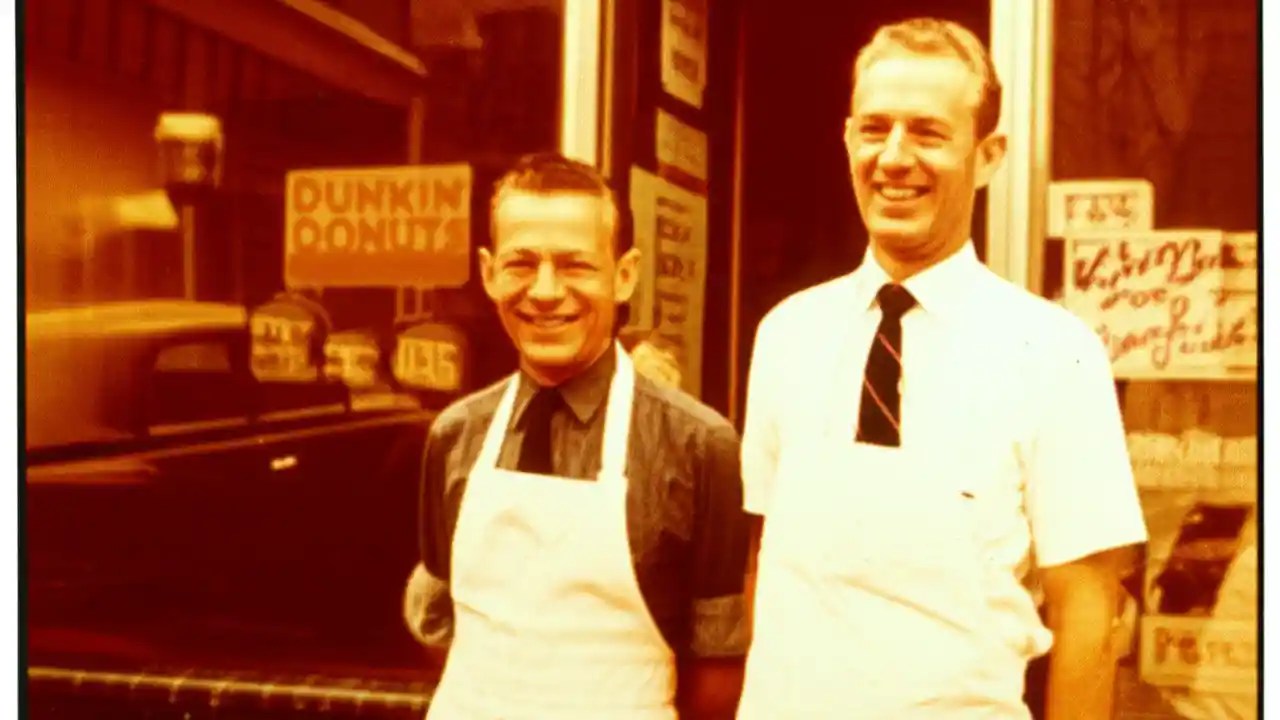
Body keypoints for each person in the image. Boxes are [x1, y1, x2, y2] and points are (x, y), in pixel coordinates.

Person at [736, 18, 1148, 719]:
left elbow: (1088, 609)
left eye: (927, 132)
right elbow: (765, 558)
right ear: (846, 139)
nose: (894, 158)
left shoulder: (1055, 352)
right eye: (875, 129)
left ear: (989, 157)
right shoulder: (786, 335)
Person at [410, 153, 750, 719]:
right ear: (489, 272)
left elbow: (717, 676)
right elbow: (438, 623)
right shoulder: (454, 435)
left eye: (575, 265)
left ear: (624, 275)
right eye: (521, 264)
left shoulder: (699, 446)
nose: (544, 291)